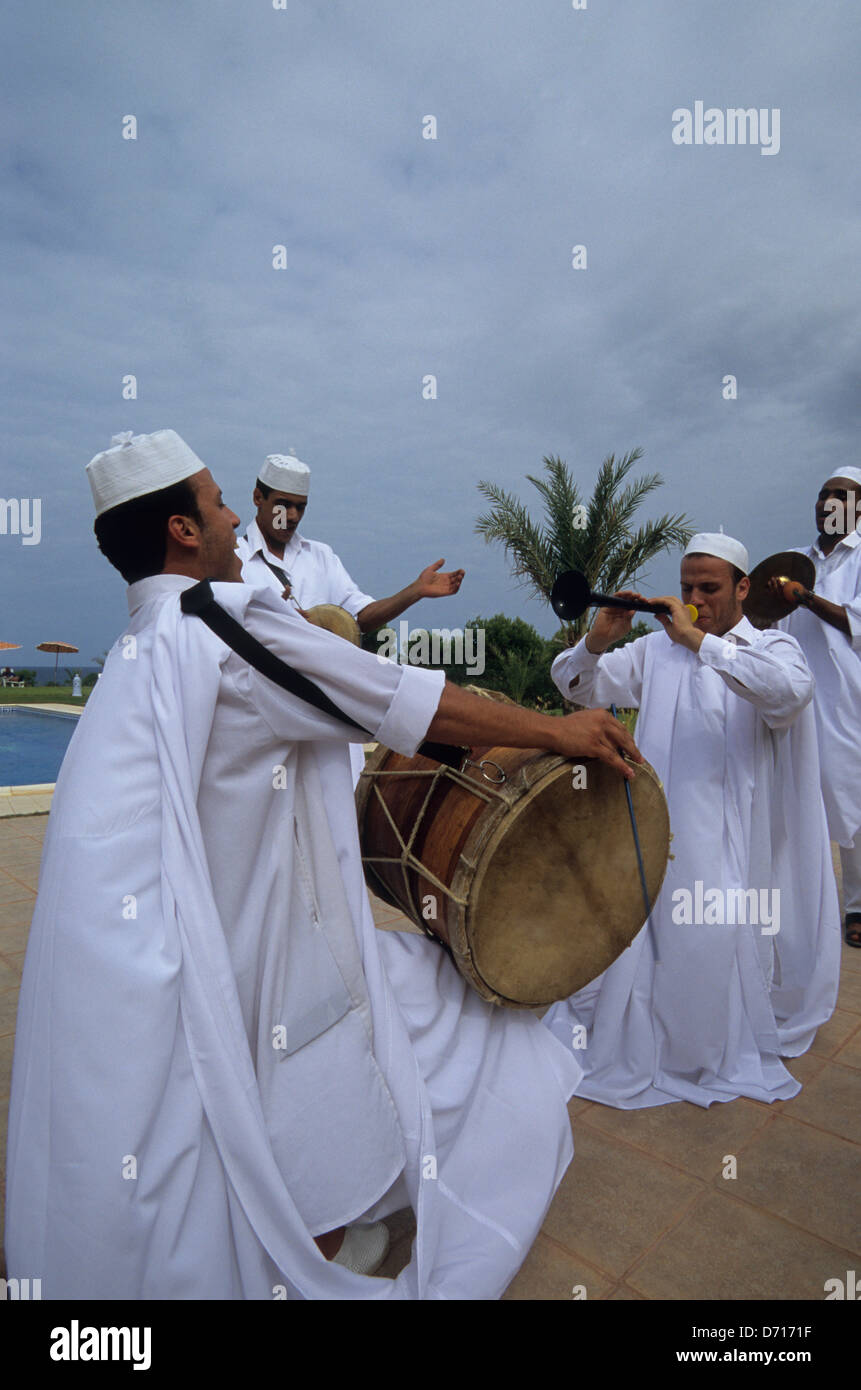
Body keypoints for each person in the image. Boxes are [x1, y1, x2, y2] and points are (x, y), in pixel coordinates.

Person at [5, 428, 641, 1300]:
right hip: (230, 942)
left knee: (286, 1064)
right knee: (425, 1000)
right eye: (219, 500)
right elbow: (392, 698)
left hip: (169, 950)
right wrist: (557, 730)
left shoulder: (139, 642)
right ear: (183, 532)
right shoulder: (215, 618)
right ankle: (338, 1222)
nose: (235, 517)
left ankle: (328, 1211)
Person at [541, 533, 840, 1107]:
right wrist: (596, 642)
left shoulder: (771, 648)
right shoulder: (657, 652)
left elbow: (789, 694)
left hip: (738, 837)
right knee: (659, 940)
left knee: (716, 939)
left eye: (709, 587)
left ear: (742, 589)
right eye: (686, 588)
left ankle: (704, 1046)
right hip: (663, 831)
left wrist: (703, 643)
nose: (695, 598)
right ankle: (652, 1038)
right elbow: (576, 685)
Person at [775, 470, 861, 948]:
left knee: (851, 796)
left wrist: (803, 597)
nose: (829, 502)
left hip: (847, 695)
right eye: (824, 494)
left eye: (841, 496)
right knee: (792, 791)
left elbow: (857, 622)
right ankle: (796, 902)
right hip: (795, 694)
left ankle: (856, 905)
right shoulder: (796, 561)